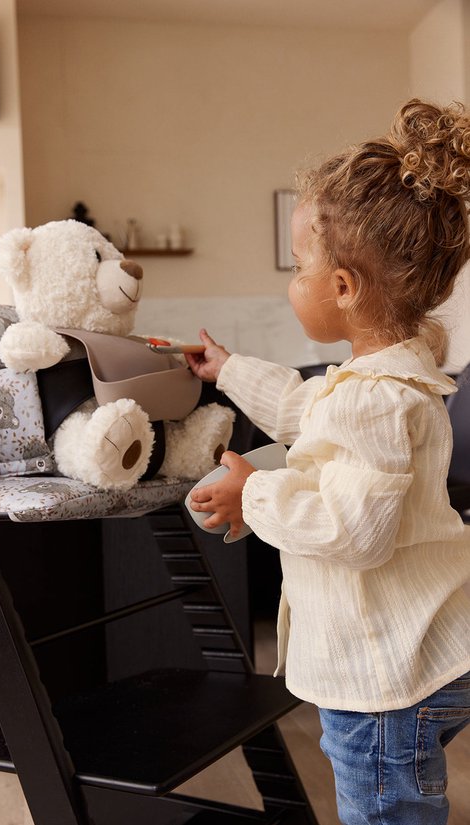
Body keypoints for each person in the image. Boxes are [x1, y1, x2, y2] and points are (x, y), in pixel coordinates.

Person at [185, 99, 470, 825]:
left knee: (385, 811)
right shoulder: (378, 378)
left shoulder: (374, 399)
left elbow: (353, 527)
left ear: (342, 289)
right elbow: (301, 406)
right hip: (420, 642)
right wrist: (226, 367)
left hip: (381, 681)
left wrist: (256, 494)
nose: (292, 277)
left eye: (300, 263)